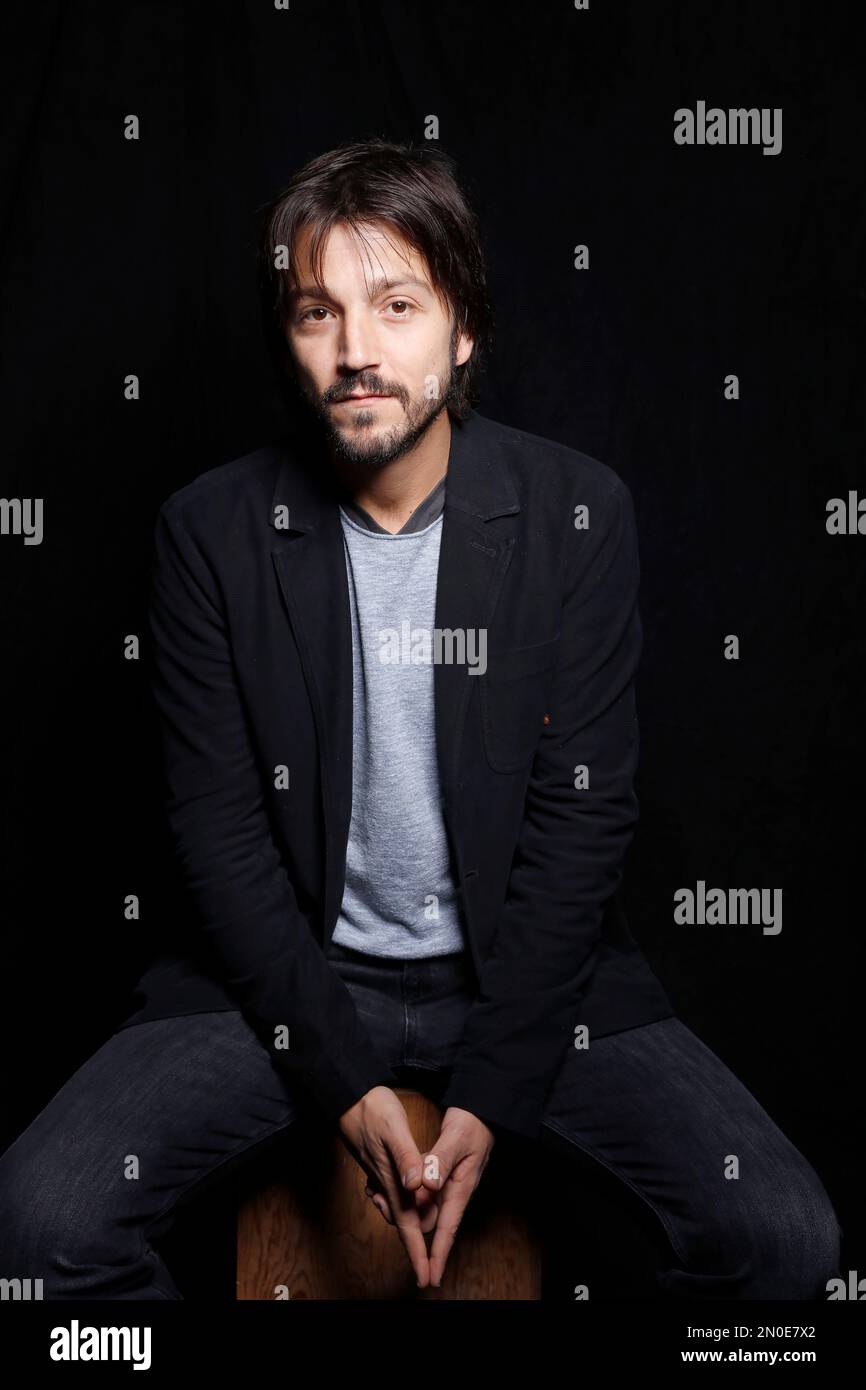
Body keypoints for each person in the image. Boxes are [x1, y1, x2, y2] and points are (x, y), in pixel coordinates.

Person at [0, 139, 842, 1299]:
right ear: (287, 342)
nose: (355, 351)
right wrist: (345, 1081)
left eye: (395, 304)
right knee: (38, 1225)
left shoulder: (575, 514)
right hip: (290, 979)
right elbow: (218, 835)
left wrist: (492, 1088)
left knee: (784, 1242)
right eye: (316, 312)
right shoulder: (209, 531)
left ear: (462, 327)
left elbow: (579, 827)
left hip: (530, 980)